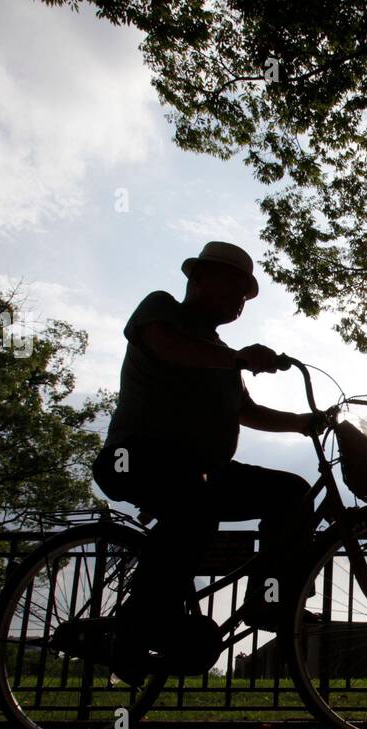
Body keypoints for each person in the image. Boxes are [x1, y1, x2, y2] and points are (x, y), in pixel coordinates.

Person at [92, 241, 322, 668]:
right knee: (194, 510)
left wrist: (306, 422)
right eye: (234, 288)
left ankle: (266, 600)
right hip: (138, 455)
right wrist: (236, 357)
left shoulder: (220, 356)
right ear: (198, 279)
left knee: (291, 492)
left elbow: (248, 412)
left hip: (202, 470)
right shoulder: (162, 312)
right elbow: (167, 347)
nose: (240, 302)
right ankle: (141, 622)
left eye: (246, 296)